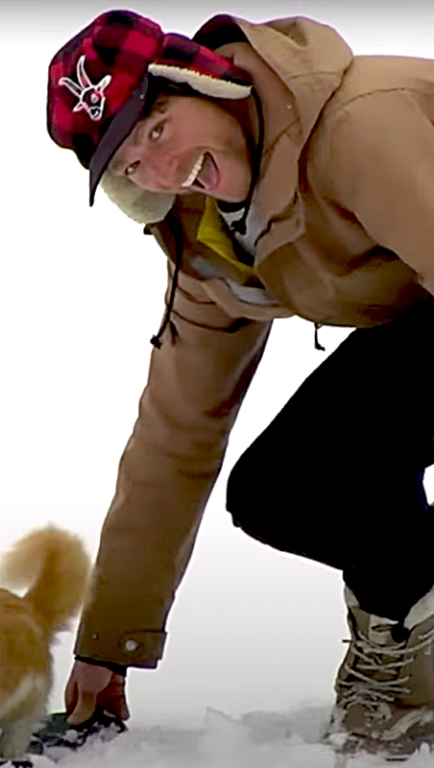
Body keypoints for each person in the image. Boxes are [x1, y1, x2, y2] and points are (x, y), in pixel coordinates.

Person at [46, 9, 434, 759]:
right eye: (130, 166)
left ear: (206, 82)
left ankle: (415, 679)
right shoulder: (213, 245)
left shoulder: (361, 128)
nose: (159, 171)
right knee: (278, 491)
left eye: (157, 130)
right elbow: (175, 439)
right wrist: (110, 641)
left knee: (361, 428)